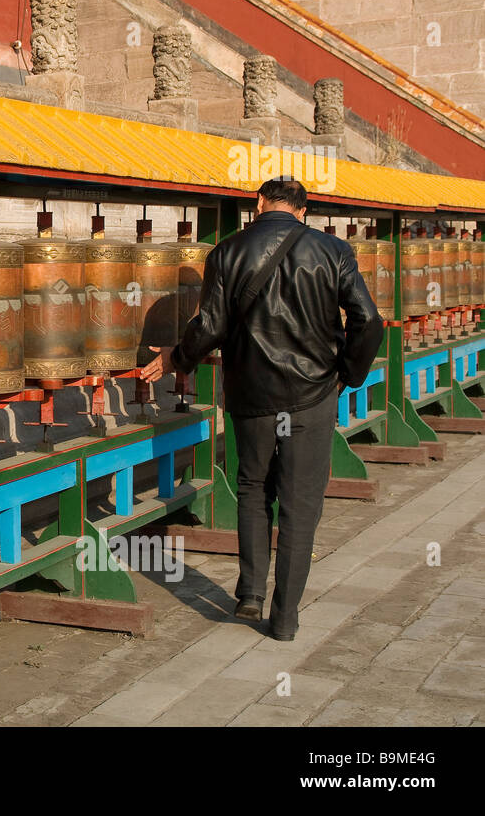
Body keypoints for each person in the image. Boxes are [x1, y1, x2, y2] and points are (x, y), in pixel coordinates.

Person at [140, 176, 383, 640]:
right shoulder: (333, 252)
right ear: (304, 211)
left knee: (253, 489)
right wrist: (347, 374)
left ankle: (250, 594)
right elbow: (368, 321)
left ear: (258, 203)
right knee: (300, 504)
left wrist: (178, 358)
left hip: (251, 395)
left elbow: (209, 324)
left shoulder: (227, 252)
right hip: (311, 397)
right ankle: (286, 618)